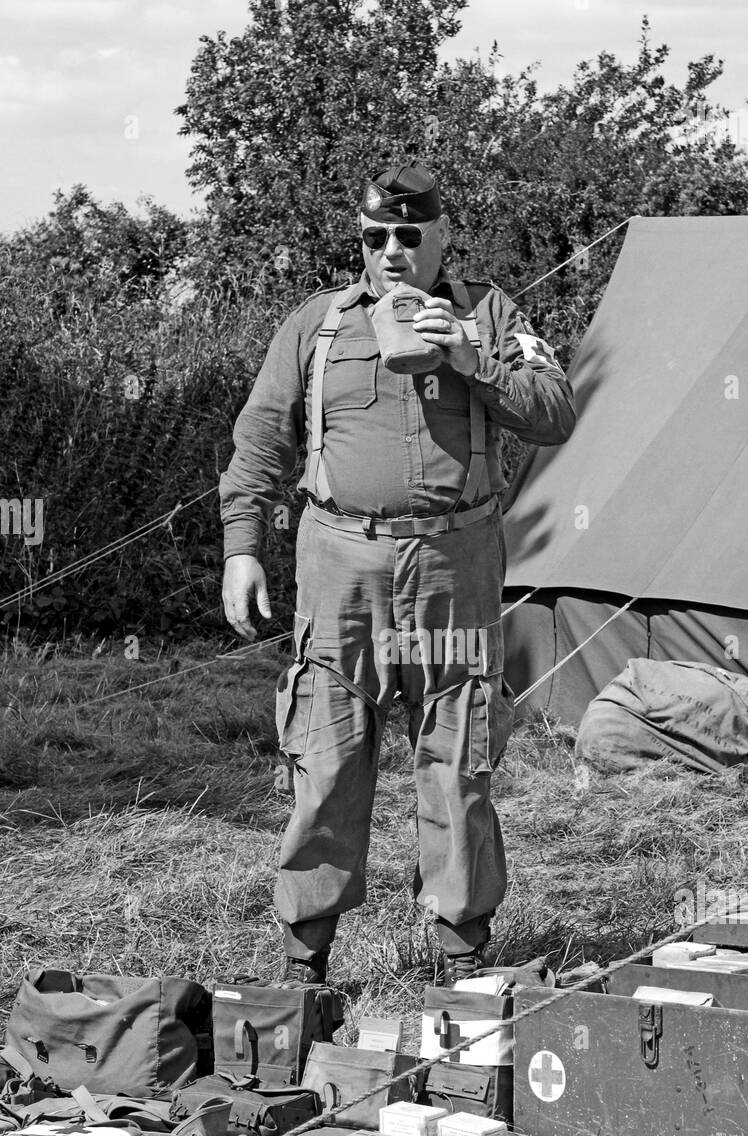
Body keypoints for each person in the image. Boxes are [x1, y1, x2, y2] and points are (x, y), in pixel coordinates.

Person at [220, 159, 577, 986]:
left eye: (407, 236)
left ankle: (463, 955)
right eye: (375, 236)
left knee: (458, 748)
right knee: (327, 749)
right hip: (340, 560)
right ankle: (304, 964)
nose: (389, 251)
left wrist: (470, 357)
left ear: (441, 238)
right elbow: (259, 445)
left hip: (455, 558)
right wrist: (243, 548)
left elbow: (555, 411)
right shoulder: (315, 326)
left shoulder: (488, 313)